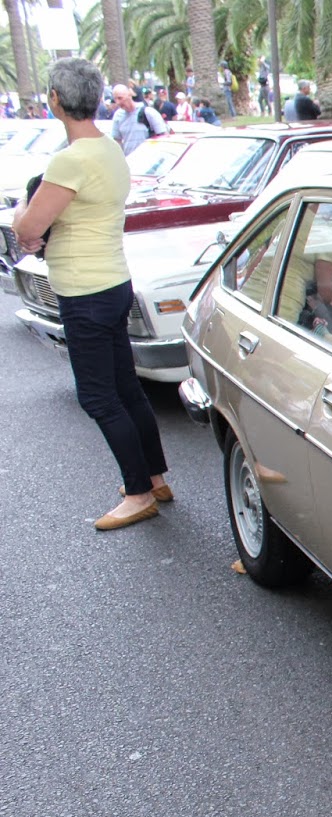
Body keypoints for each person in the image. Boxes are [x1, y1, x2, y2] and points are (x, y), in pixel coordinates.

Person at [14, 58, 170, 531]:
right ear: (98, 98)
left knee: (98, 397)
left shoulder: (69, 160)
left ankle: (139, 492)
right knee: (125, 386)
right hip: (113, 281)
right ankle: (155, 477)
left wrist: (26, 203)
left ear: (56, 100)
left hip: (83, 291)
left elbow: (28, 229)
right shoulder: (109, 150)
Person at [108, 83, 167, 155]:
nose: (118, 102)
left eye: (120, 98)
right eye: (115, 99)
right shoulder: (118, 116)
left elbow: (164, 137)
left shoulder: (148, 113)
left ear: (129, 95)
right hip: (129, 161)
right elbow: (117, 140)